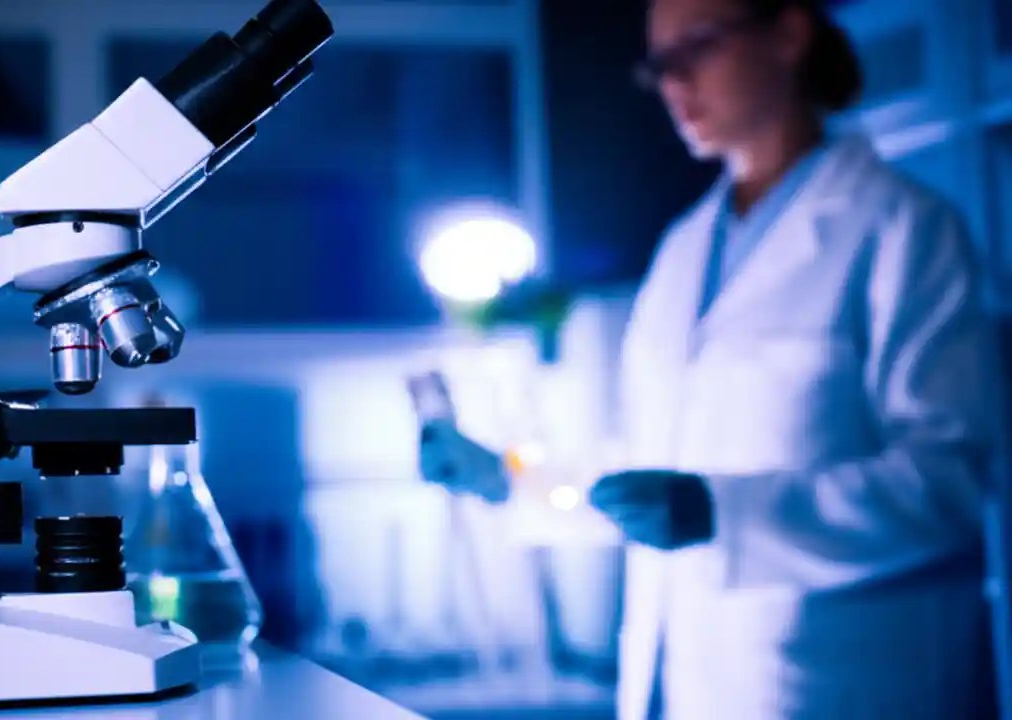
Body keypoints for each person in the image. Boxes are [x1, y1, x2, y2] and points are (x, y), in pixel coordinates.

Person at [419, 0, 1006, 717]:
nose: (674, 82)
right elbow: (647, 477)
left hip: (841, 689)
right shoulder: (683, 250)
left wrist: (728, 514)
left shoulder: (902, 229)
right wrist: (509, 480)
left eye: (697, 46)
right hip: (682, 686)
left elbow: (951, 483)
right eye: (659, 63)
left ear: (789, 32)